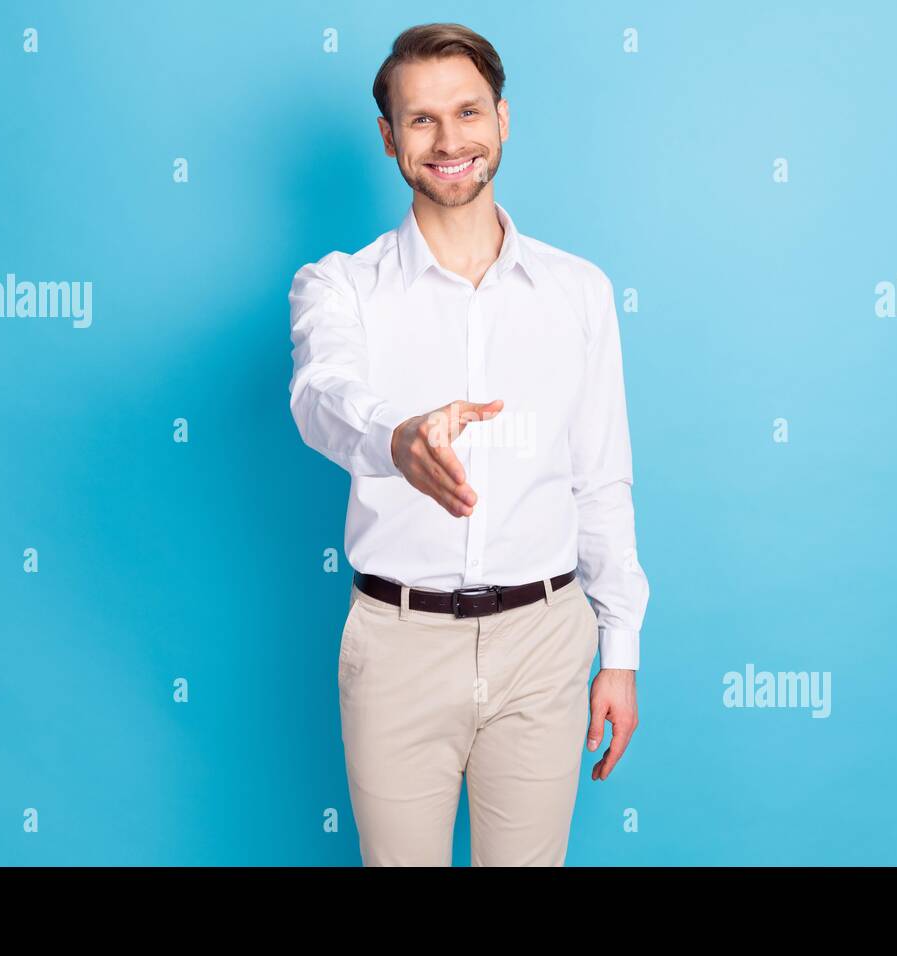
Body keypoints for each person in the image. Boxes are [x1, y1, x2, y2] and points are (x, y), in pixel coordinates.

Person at [287, 22, 649, 866]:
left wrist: (620, 651)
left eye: (468, 112)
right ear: (388, 138)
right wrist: (395, 437)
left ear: (503, 119)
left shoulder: (580, 292)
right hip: (399, 642)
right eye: (421, 120)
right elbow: (319, 395)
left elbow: (601, 481)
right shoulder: (339, 285)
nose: (450, 141)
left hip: (545, 640)